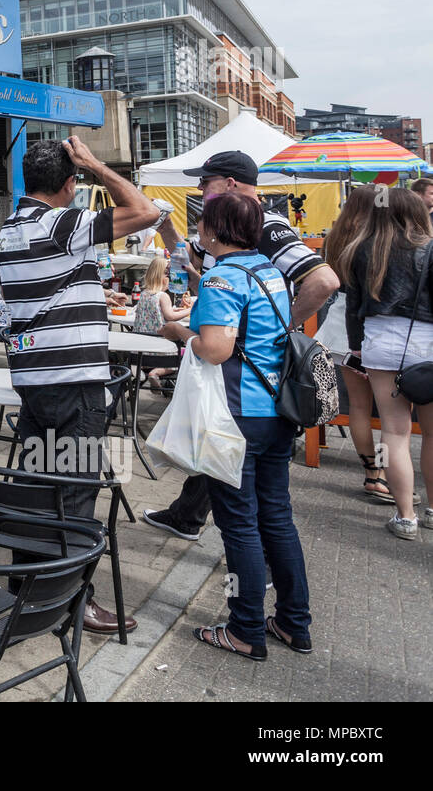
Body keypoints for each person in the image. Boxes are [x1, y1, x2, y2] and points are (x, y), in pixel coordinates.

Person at [0, 136, 167, 635]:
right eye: (77, 179)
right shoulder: (63, 223)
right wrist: (97, 165)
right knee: (74, 494)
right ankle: (71, 604)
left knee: (37, 487)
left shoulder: (11, 229)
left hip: (35, 381)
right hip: (75, 382)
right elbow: (147, 211)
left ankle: (27, 591)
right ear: (70, 185)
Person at [144, 150, 339, 540]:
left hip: (246, 386)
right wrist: (167, 229)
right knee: (257, 496)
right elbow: (202, 275)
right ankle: (189, 517)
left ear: (230, 184)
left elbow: (324, 281)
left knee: (247, 513)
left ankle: (252, 572)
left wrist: (279, 328)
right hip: (241, 383)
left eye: (205, 181)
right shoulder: (228, 230)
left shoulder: (265, 225)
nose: (199, 188)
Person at [167, 193, 312, 661]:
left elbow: (216, 348)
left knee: (239, 526)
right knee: (277, 518)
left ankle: (245, 626)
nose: (199, 233)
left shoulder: (223, 278)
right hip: (278, 414)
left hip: (237, 418)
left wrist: (178, 333)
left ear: (214, 230)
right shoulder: (271, 271)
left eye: (203, 225)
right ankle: (293, 622)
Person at [339, 187, 433, 539]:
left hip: (379, 342)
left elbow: (352, 307)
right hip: (427, 343)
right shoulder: (430, 248)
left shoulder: (361, 249)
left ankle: (405, 516)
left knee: (393, 432)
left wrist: (355, 346)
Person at [321, 185, 393, 502]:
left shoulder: (335, 239)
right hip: (378, 330)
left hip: (341, 329)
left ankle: (372, 474)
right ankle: (388, 474)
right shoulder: (382, 242)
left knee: (360, 409)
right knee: (392, 415)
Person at [133, 254, 192, 390]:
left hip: (142, 352)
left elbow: (162, 312)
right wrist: (190, 310)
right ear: (164, 277)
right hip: (161, 352)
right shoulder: (163, 296)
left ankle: (142, 370)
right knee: (180, 360)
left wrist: (179, 310)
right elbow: (170, 316)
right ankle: (156, 373)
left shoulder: (144, 294)